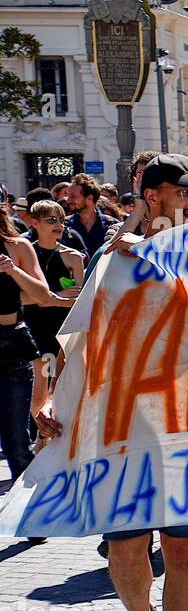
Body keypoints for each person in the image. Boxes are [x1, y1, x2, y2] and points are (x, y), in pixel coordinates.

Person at [34, 152, 188, 611]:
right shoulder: (111, 262)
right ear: (151, 196)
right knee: (124, 551)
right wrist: (50, 398)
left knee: (183, 549)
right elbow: (78, 339)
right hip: (121, 424)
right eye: (184, 191)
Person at [0, 209, 75, 484]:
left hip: (11, 345)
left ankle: (31, 512)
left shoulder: (17, 246)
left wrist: (13, 270)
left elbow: (43, 296)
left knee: (17, 444)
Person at [23, 199, 84, 428]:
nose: (58, 225)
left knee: (57, 388)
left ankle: (46, 436)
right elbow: (20, 297)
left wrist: (45, 298)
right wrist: (58, 296)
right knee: (38, 389)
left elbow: (77, 302)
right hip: (32, 328)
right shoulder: (26, 253)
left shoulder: (73, 257)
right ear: (34, 223)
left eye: (61, 220)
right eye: (51, 220)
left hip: (61, 330)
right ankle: (36, 436)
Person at [64, 173, 119, 254]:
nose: (68, 201)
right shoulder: (65, 226)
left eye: (73, 197)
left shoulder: (112, 225)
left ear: (89, 198)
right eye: (68, 196)